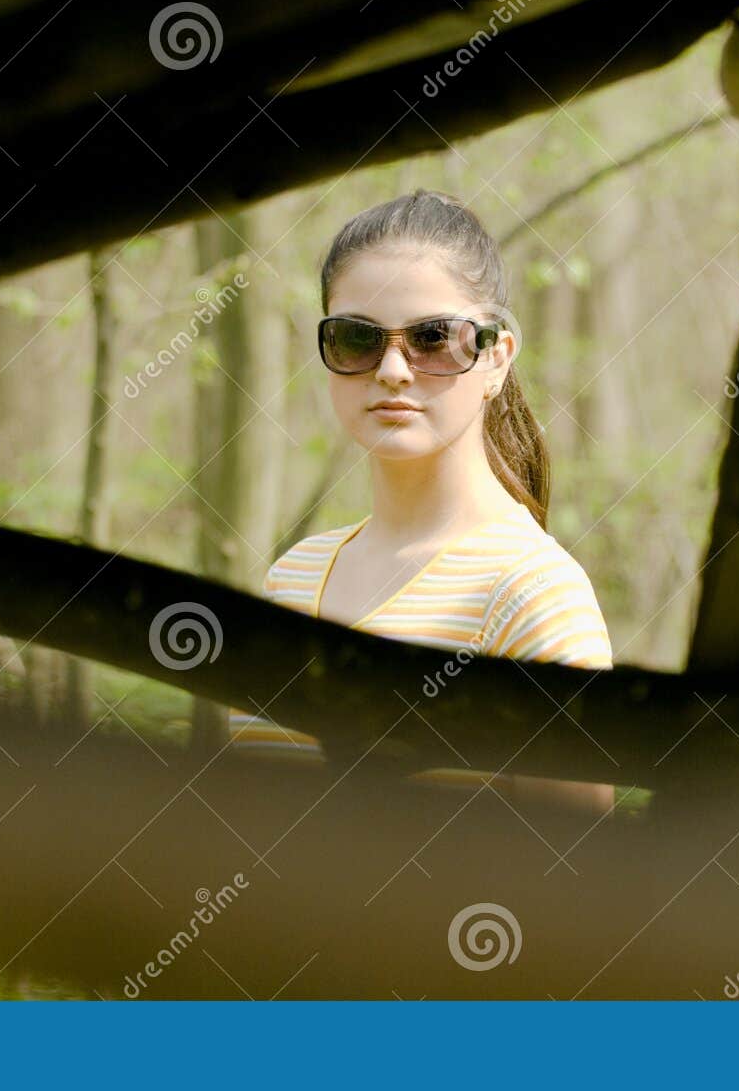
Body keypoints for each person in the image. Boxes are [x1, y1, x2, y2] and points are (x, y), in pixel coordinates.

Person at [244, 188, 616, 812]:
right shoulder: (291, 579)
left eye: (432, 337)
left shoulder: (535, 593)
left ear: (495, 359)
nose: (392, 370)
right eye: (358, 339)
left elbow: (574, 877)